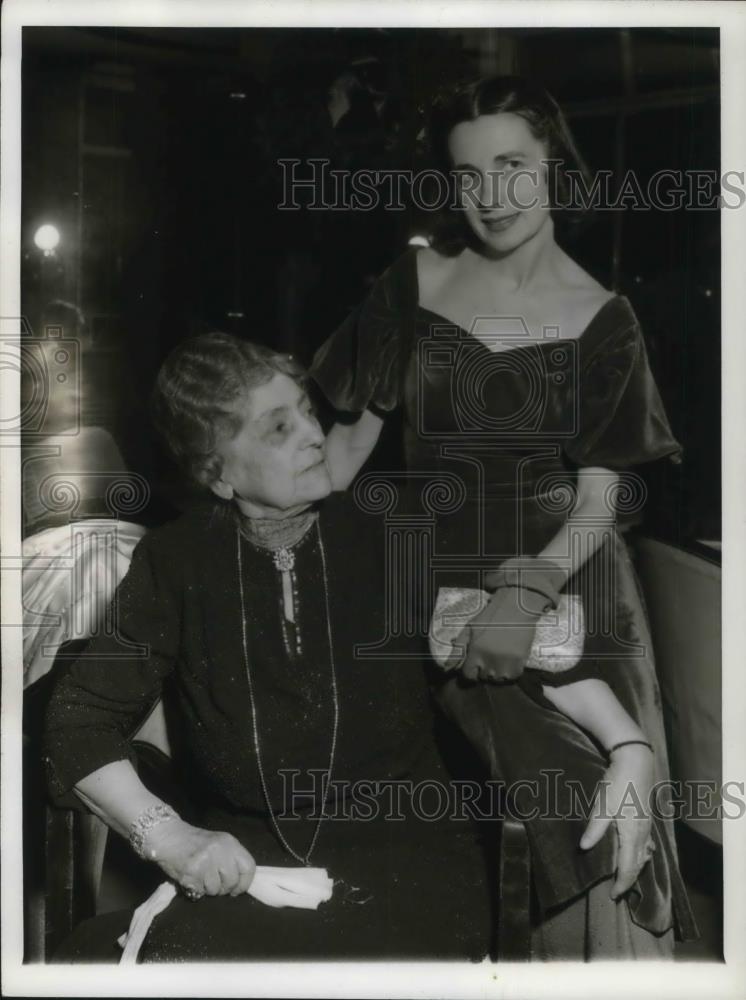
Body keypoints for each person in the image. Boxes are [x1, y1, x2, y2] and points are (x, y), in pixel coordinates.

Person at [310, 75, 698, 958]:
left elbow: (602, 497)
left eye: (514, 165)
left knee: (607, 813)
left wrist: (528, 594)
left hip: (575, 587)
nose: (491, 196)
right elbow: (338, 459)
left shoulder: (606, 318)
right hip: (446, 589)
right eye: (468, 173)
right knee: (556, 794)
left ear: (557, 166)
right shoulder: (410, 284)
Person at [42, 333, 494, 962]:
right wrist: (169, 836)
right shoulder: (175, 562)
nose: (314, 434)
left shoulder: (394, 532)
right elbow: (77, 723)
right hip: (249, 869)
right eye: (279, 429)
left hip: (406, 863)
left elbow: (525, 623)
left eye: (307, 411)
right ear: (216, 474)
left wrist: (627, 745)